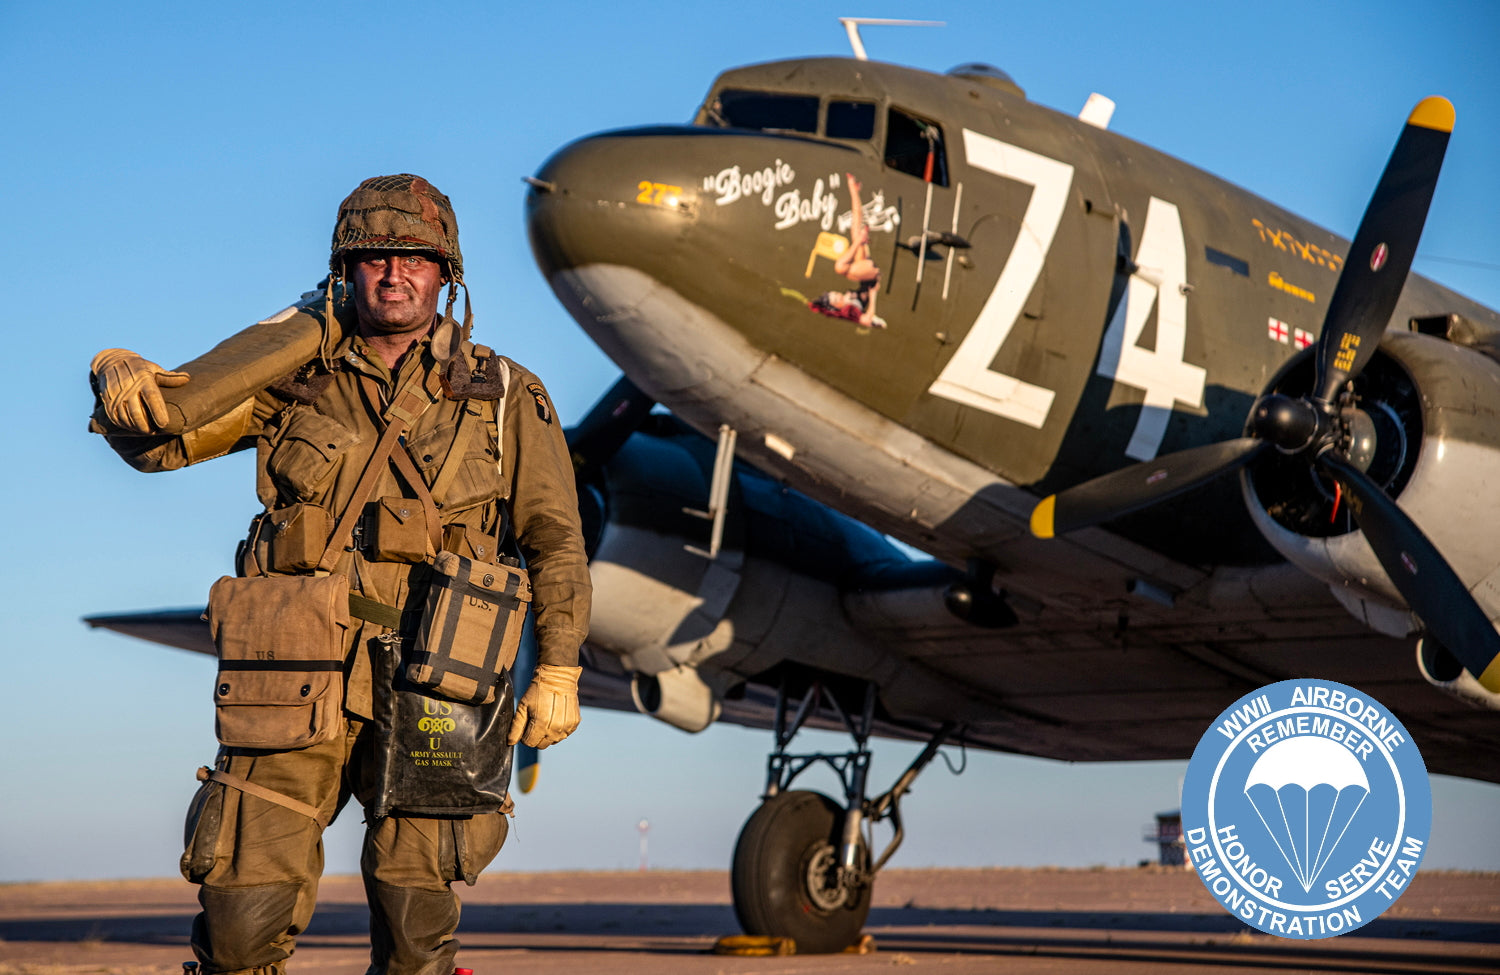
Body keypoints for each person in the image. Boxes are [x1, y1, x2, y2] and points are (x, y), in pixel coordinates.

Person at [88, 174, 592, 974]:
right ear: (344, 272)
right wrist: (119, 377)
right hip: (294, 676)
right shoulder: (287, 379)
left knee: (416, 931)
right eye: (374, 257)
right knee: (239, 920)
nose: (394, 272)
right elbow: (160, 444)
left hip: (438, 682)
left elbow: (556, 539)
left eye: (415, 258)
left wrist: (559, 664)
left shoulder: (505, 396)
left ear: (445, 274)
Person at [808, 173, 886, 329]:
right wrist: (873, 295)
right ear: (836, 306)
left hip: (865, 272)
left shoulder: (847, 301)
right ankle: (858, 241)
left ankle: (853, 190)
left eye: (835, 294)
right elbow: (866, 320)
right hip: (872, 278)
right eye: (836, 297)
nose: (839, 294)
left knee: (855, 230)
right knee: (840, 266)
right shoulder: (849, 310)